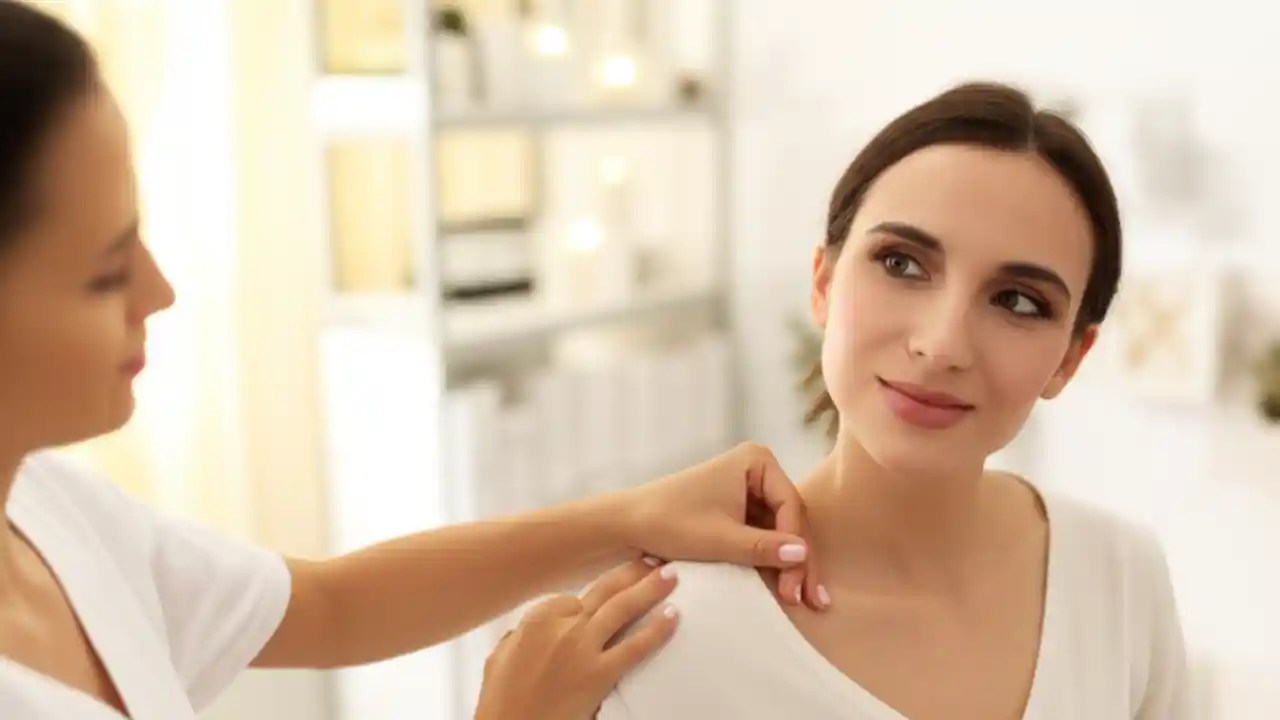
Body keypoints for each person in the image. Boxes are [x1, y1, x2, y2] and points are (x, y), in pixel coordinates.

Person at [0, 4, 826, 719]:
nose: (161, 291)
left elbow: (332, 607)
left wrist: (629, 517)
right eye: (106, 272)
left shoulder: (47, 509)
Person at [597, 82, 1190, 720]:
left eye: (1018, 301)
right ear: (823, 282)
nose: (941, 346)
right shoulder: (666, 633)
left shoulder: (1120, 579)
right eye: (902, 264)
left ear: (1071, 358)